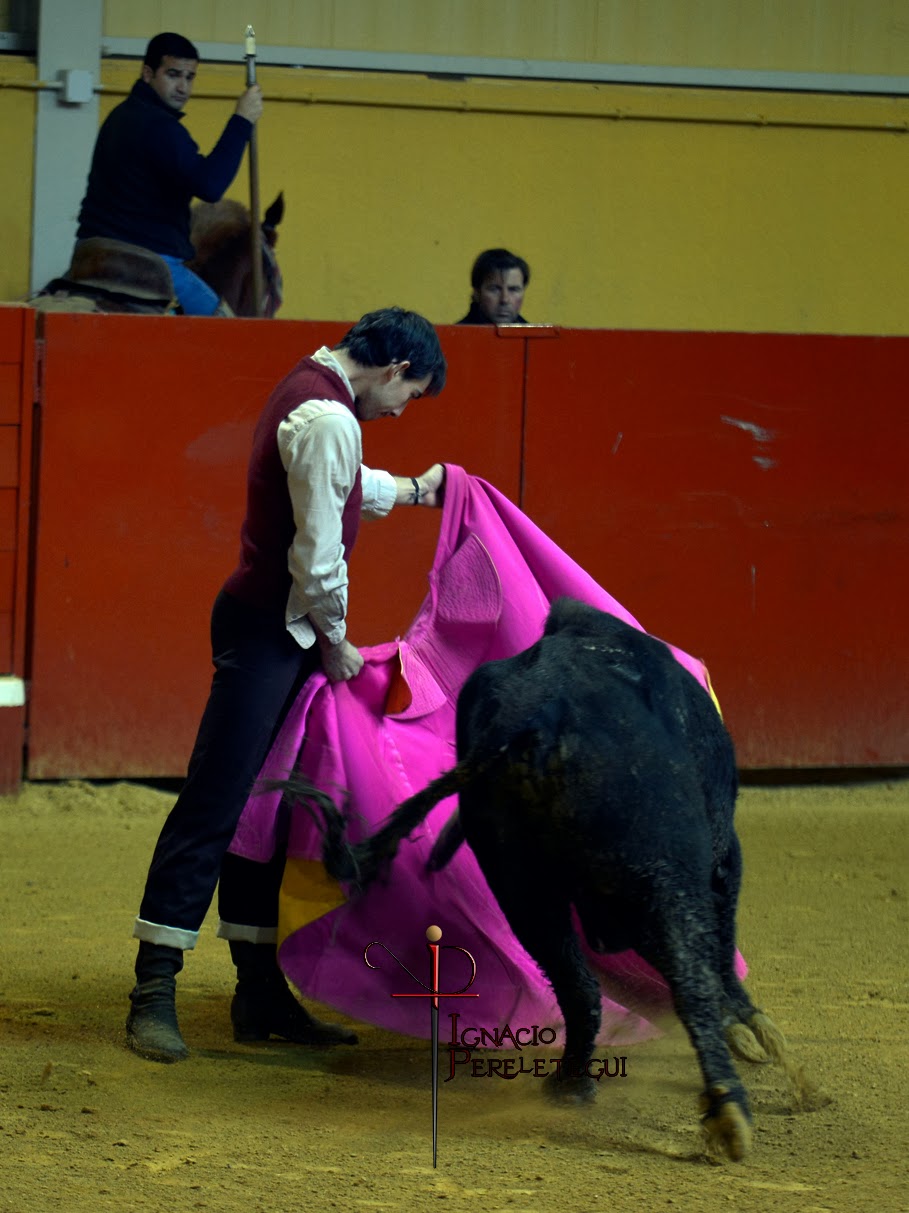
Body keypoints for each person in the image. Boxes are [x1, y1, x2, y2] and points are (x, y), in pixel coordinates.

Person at [127, 307, 448, 1063]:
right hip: (275, 633)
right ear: (395, 367)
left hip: (278, 629)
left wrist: (411, 489)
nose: (403, 409)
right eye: (412, 393)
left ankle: (258, 991)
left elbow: (338, 487)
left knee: (266, 813)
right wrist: (334, 642)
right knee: (218, 803)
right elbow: (317, 559)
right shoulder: (329, 417)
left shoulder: (315, 396)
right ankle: (152, 990)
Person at [75, 32, 263, 316]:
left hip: (89, 253)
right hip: (146, 262)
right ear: (148, 73)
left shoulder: (121, 116)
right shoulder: (159, 126)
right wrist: (242, 121)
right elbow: (210, 185)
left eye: (190, 77)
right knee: (227, 330)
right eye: (173, 75)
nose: (182, 87)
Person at [456, 248, 530, 325]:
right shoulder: (453, 336)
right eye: (494, 289)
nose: (504, 299)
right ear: (476, 293)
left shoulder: (534, 335)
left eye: (513, 290)